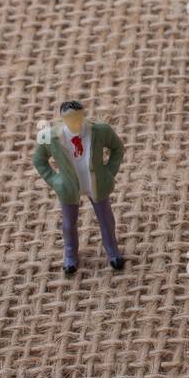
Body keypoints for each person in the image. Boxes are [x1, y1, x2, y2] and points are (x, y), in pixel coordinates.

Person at [32, 101, 125, 274]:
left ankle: (112, 252)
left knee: (106, 220)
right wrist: (54, 180)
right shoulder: (50, 136)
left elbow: (117, 149)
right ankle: (70, 255)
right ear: (62, 118)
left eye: (77, 117)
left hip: (96, 184)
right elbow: (38, 160)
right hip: (68, 187)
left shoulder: (100, 130)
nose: (74, 122)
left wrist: (109, 172)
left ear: (83, 114)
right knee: (68, 224)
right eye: (69, 118)